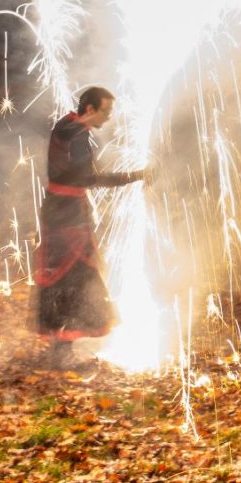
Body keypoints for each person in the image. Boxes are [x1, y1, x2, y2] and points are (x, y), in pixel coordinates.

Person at [34, 86, 146, 368]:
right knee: (74, 277)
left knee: (66, 276)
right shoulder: (77, 134)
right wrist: (135, 175)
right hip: (67, 216)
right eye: (105, 111)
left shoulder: (66, 125)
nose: (108, 118)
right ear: (90, 109)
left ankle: (61, 348)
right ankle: (62, 353)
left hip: (59, 210)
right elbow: (89, 179)